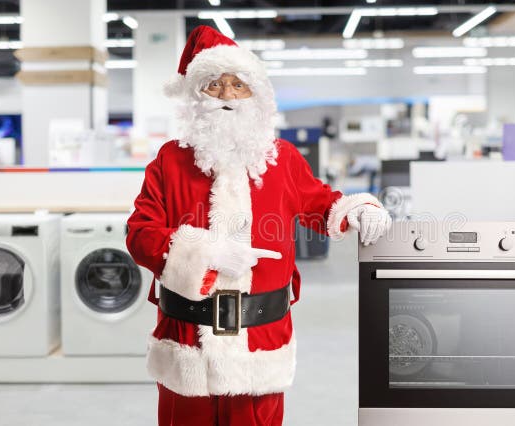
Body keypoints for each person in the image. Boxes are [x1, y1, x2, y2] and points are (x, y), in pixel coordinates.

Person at [125, 26, 392, 426]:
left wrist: (360, 209)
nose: (227, 95)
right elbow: (140, 233)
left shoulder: (282, 159)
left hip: (261, 344)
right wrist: (207, 254)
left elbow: (321, 203)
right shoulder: (170, 160)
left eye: (239, 85)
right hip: (187, 341)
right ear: (196, 95)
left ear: (257, 96)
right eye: (214, 85)